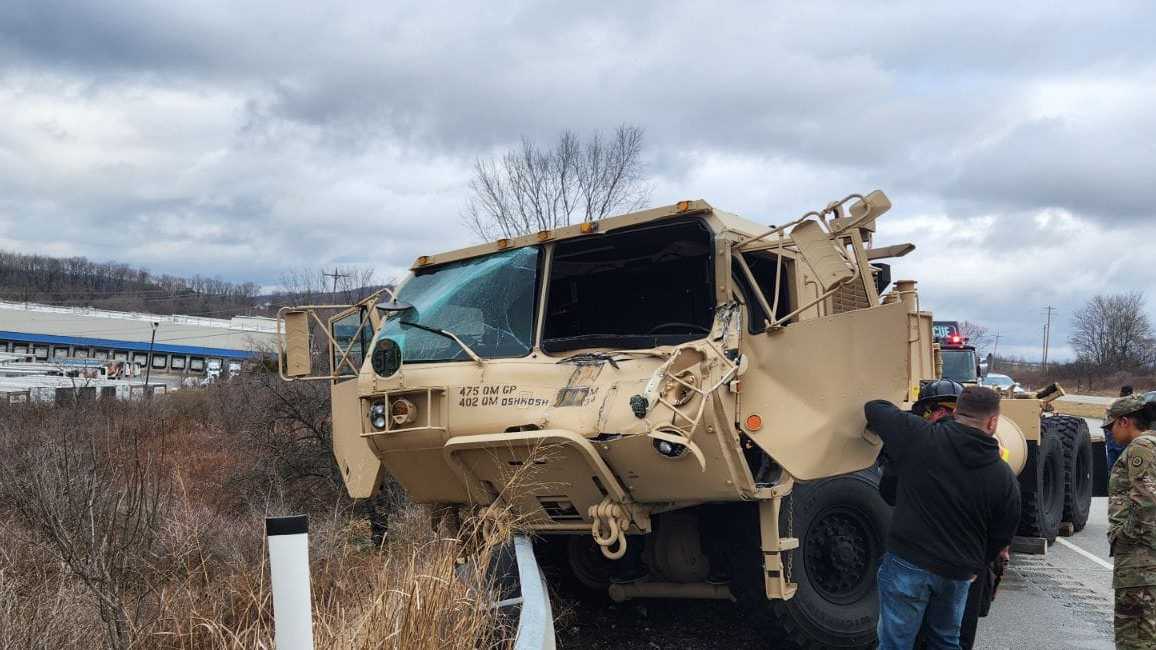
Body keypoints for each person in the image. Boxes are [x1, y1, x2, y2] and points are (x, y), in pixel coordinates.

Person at [866, 386, 1021, 649]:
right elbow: (1002, 532)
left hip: (908, 561)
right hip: (957, 571)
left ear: (956, 412)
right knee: (946, 640)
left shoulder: (919, 435)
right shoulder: (1003, 476)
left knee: (895, 641)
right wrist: (976, 566)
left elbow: (874, 408)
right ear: (993, 422)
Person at [1105, 395, 1156, 649]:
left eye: (1111, 425)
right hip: (1145, 564)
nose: (1110, 432)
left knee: (1134, 640)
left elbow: (1146, 502)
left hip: (1140, 564)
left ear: (1124, 421)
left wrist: (1123, 536)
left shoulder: (1140, 447)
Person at [878, 379, 965, 506]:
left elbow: (890, 494)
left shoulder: (920, 444)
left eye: (924, 413)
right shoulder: (979, 444)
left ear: (939, 413)